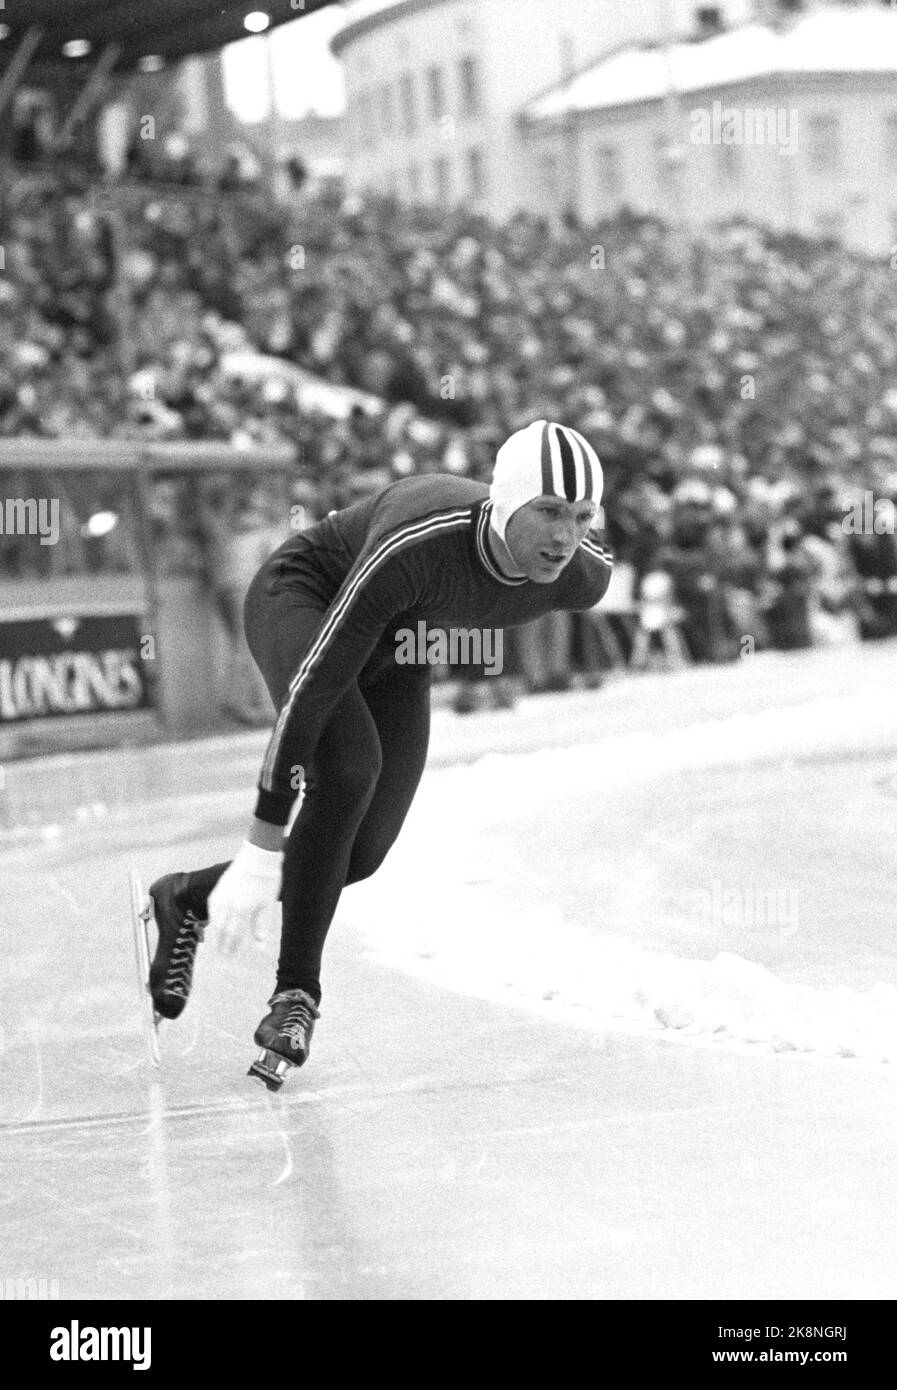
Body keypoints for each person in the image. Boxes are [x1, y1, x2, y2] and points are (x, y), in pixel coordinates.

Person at [144, 421, 613, 1088]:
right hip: (303, 598)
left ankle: (187, 897)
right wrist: (259, 842)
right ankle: (296, 994)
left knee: (358, 857)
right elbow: (315, 687)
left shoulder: (580, 576)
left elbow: (589, 560)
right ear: (505, 501)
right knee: (348, 766)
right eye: (546, 512)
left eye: (578, 515)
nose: (563, 536)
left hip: (400, 646)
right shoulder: (418, 538)